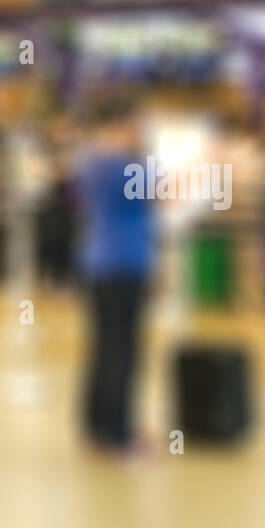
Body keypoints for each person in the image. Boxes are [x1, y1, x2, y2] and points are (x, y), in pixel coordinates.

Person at [77, 93, 154, 458]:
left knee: (102, 350)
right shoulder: (126, 167)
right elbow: (164, 196)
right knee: (123, 352)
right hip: (124, 265)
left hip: (96, 265)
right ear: (124, 125)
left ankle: (96, 429)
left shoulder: (91, 162)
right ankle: (119, 438)